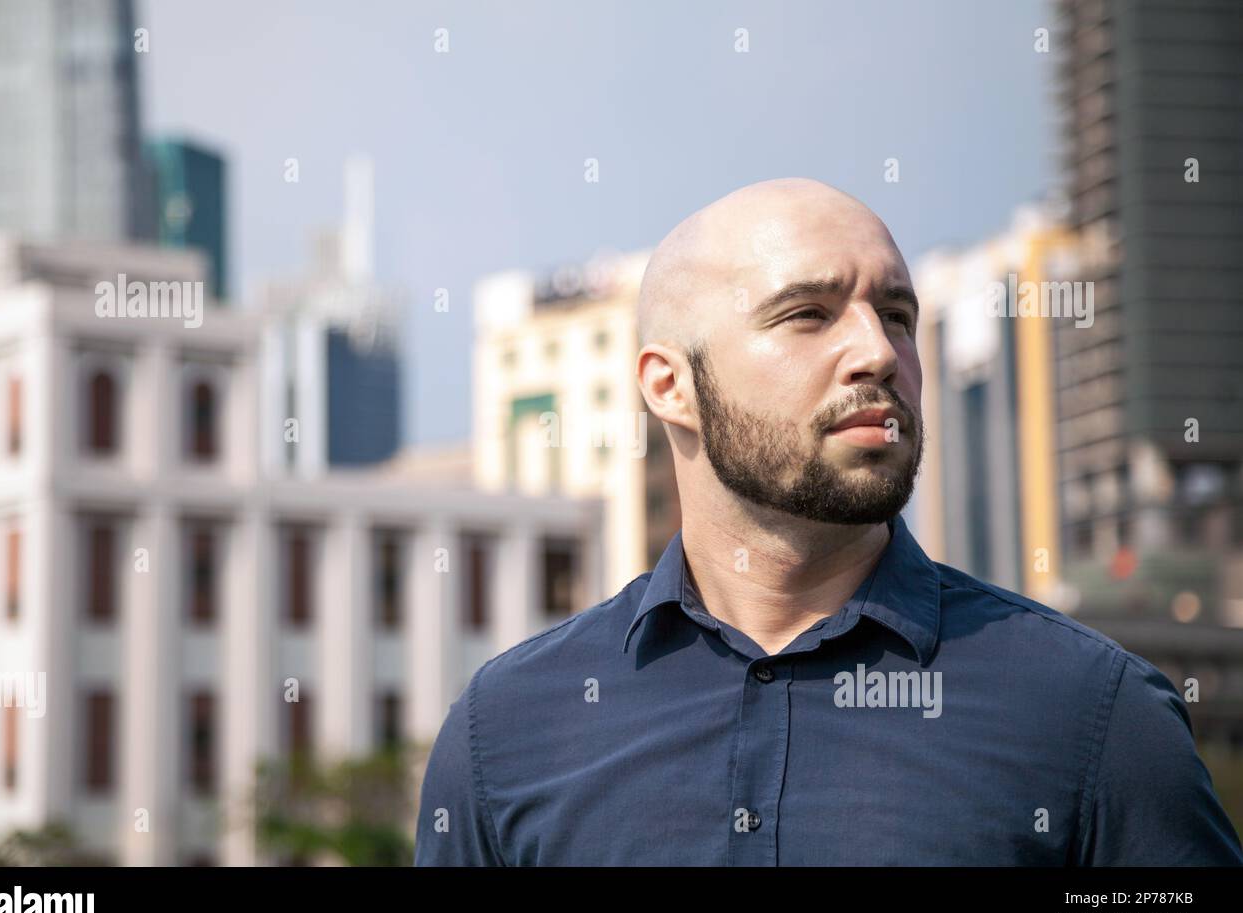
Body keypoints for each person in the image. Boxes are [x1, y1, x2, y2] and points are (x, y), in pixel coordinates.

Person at [414, 178, 1243, 865]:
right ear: (670, 386)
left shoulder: (1094, 714)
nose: (878, 352)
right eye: (807, 314)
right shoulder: (506, 730)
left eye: (897, 315)